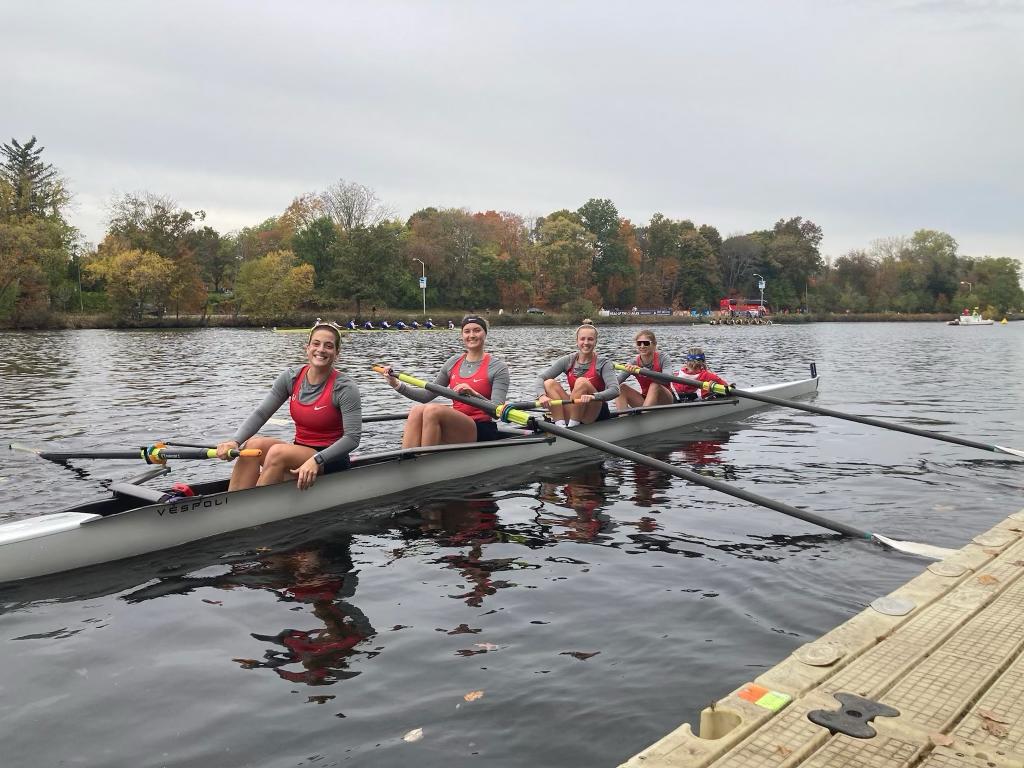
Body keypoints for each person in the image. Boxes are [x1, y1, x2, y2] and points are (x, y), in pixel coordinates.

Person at [216, 319, 362, 491]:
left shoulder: (344, 387)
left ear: (337, 353)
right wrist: (234, 441)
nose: (321, 350)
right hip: (299, 450)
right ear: (307, 348)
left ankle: (255, 508)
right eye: (316, 344)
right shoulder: (291, 378)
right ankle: (235, 501)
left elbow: (353, 438)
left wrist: (317, 460)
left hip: (331, 460)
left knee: (278, 452)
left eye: (329, 346)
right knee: (253, 446)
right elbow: (261, 413)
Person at [378, 315, 510, 448]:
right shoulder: (453, 362)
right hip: (456, 425)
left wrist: (474, 394)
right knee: (416, 411)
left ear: (485, 333)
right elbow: (426, 396)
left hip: (482, 428)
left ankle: (427, 460)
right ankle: (407, 459)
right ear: (462, 335)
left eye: (477, 330)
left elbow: (497, 412)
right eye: (467, 331)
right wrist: (395, 384)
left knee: (432, 410)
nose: (472, 335)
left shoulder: (498, 368)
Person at [536, 320, 619, 426]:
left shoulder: (604, 363)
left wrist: (594, 396)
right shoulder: (568, 360)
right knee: (549, 383)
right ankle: (560, 426)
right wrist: (542, 395)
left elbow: (615, 390)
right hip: (577, 408)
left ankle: (572, 427)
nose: (586, 343)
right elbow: (540, 378)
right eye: (582, 339)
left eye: (590, 339)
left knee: (581, 382)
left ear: (595, 342)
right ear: (577, 341)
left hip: (595, 411)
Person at [614, 329, 674, 411]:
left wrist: (645, 372)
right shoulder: (634, 362)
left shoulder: (663, 357)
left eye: (646, 343)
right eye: (639, 343)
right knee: (621, 388)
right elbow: (616, 382)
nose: (642, 346)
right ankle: (623, 418)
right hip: (646, 399)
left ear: (654, 344)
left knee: (655, 385)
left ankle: (644, 417)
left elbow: (668, 379)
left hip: (666, 400)